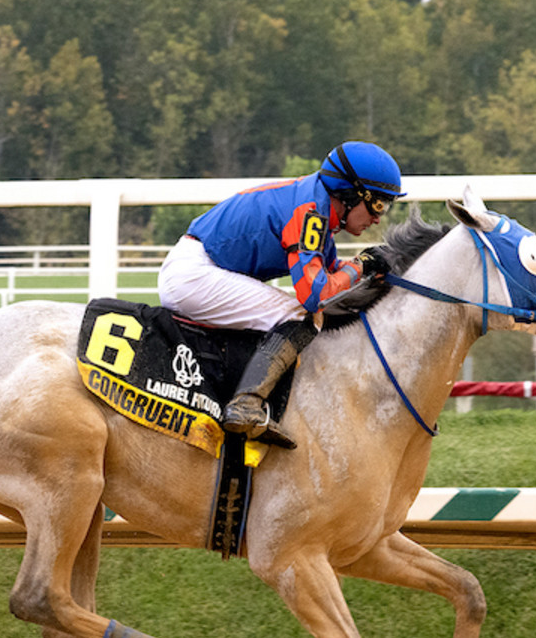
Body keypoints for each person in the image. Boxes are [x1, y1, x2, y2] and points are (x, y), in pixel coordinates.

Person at [157, 141, 405, 448]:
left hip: (199, 269)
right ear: (351, 194)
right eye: (378, 204)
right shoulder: (310, 214)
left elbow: (329, 273)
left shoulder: (316, 205)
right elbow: (315, 295)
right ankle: (246, 404)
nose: (379, 217)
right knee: (301, 316)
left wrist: (366, 270)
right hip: (193, 275)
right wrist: (360, 265)